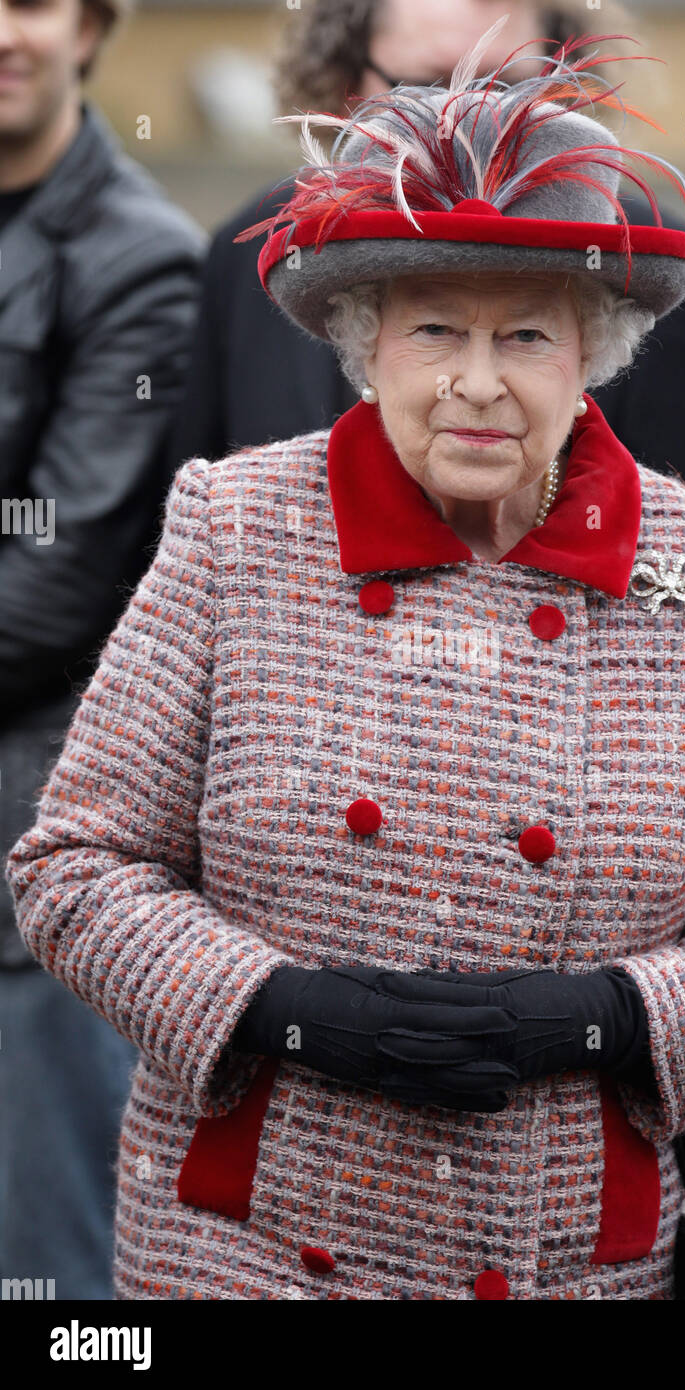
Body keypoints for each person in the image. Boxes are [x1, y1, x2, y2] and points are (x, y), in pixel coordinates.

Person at [6, 28, 685, 1301]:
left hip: (565, 1259)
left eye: (526, 334)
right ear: (363, 341)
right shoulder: (236, 528)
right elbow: (74, 868)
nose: (477, 385)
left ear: (594, 351)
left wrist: (605, 1021)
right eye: (432, 331)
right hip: (248, 1255)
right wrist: (288, 1009)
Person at [168, 0, 685, 526]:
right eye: (426, 87)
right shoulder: (254, 248)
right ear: (341, 82)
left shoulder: (646, 260)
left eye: (507, 86)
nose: (468, 120)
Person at [0, 0, 206, 1297]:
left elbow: (44, 597)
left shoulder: (142, 261)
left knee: (55, 1281)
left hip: (23, 872)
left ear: (90, 25)